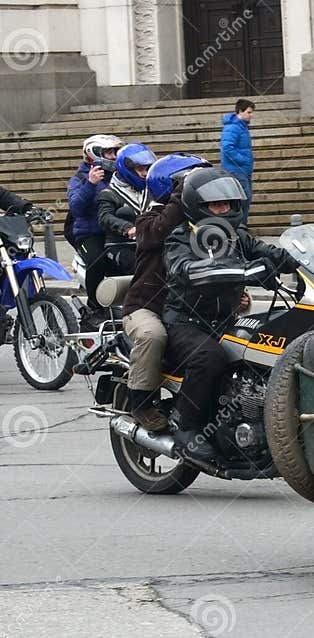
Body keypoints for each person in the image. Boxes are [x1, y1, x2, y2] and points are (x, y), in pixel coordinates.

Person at [163, 167, 298, 461]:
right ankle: (184, 425)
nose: (223, 210)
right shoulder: (180, 239)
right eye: (215, 205)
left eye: (227, 204)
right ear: (197, 207)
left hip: (225, 321)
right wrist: (246, 271)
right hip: (186, 324)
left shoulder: (237, 236)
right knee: (209, 357)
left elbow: (270, 252)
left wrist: (307, 260)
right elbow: (188, 270)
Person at [121, 153, 212, 432]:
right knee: (152, 335)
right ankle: (142, 402)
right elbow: (158, 232)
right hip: (146, 307)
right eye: (192, 182)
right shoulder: (149, 219)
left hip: (190, 310)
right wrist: (180, 197)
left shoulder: (208, 222)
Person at [67, 134, 124, 323]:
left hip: (116, 231)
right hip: (89, 234)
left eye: (115, 152)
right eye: (109, 153)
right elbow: (76, 208)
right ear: (94, 154)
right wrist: (90, 184)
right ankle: (94, 307)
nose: (114, 157)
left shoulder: (120, 176)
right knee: (97, 261)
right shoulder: (80, 178)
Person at [97, 143, 157, 276]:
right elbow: (104, 217)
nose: (145, 173)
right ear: (127, 169)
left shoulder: (153, 190)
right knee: (139, 269)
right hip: (120, 246)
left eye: (147, 168)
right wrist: (126, 227)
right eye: (140, 169)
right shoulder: (109, 193)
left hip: (149, 245)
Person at [219, 98, 255, 225]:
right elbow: (227, 148)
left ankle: (241, 228)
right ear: (240, 111)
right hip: (236, 170)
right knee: (242, 200)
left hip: (242, 170)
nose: (251, 115)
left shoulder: (241, 127)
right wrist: (244, 160)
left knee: (244, 199)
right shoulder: (234, 127)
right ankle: (239, 229)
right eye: (249, 112)